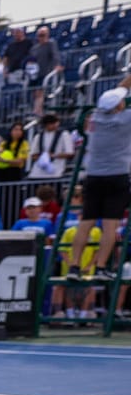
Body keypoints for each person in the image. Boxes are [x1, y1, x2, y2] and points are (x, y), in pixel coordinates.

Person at [65, 76, 131, 288]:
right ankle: (101, 267)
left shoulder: (94, 118)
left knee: (86, 222)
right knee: (110, 225)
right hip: (117, 175)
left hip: (93, 176)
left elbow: (116, 94)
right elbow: (119, 95)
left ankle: (74, 266)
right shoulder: (126, 119)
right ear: (120, 105)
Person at [28, 113, 79, 180]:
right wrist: (43, 158)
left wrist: (53, 155)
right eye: (51, 123)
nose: (55, 125)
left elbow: (70, 153)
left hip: (56, 173)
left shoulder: (64, 134)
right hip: (36, 173)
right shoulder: (38, 136)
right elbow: (33, 155)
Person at [28, 26, 62, 117]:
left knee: (40, 92)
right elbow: (31, 60)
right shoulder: (34, 48)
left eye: (43, 35)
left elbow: (55, 56)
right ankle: (37, 110)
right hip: (35, 73)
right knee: (35, 93)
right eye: (39, 35)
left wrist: (57, 65)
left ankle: (37, 110)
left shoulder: (51, 44)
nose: (41, 37)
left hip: (46, 72)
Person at [0, 122, 30, 188]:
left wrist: (5, 161)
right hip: (2, 172)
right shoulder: (4, 143)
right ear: (11, 131)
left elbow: (20, 161)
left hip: (15, 173)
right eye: (16, 129)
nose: (18, 132)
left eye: (20, 130)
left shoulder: (24, 144)